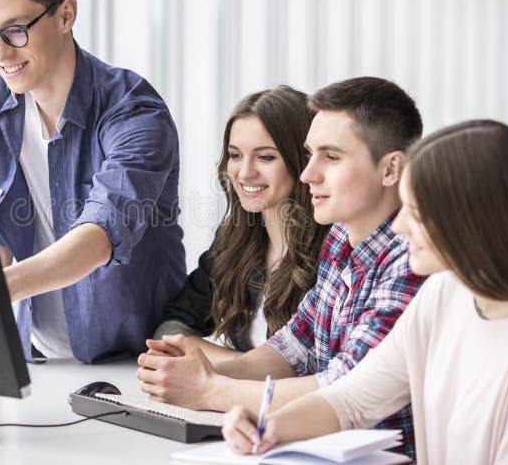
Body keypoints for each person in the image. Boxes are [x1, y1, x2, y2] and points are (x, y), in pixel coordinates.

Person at [221, 120, 508, 464]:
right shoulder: (442, 294)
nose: (399, 226)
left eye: (416, 212)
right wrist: (269, 426)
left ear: (472, 218)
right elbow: (353, 398)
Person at [137, 77, 426, 459]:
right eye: (310, 155)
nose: (309, 175)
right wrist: (201, 369)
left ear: (391, 170)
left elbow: (346, 388)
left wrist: (211, 389)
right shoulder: (343, 237)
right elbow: (297, 344)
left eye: (332, 157)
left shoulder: (413, 259)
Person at [0, 0, 185, 364]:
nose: (1, 53)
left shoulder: (135, 113)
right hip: (34, 352)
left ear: (66, 14)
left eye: (15, 30)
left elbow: (101, 235)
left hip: (132, 362)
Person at [154, 86, 330, 363]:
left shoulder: (335, 252)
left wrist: (233, 372)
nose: (245, 172)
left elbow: (322, 370)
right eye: (235, 155)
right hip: (235, 398)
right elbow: (172, 328)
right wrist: (239, 368)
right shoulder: (234, 240)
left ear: (302, 160)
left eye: (266, 157)